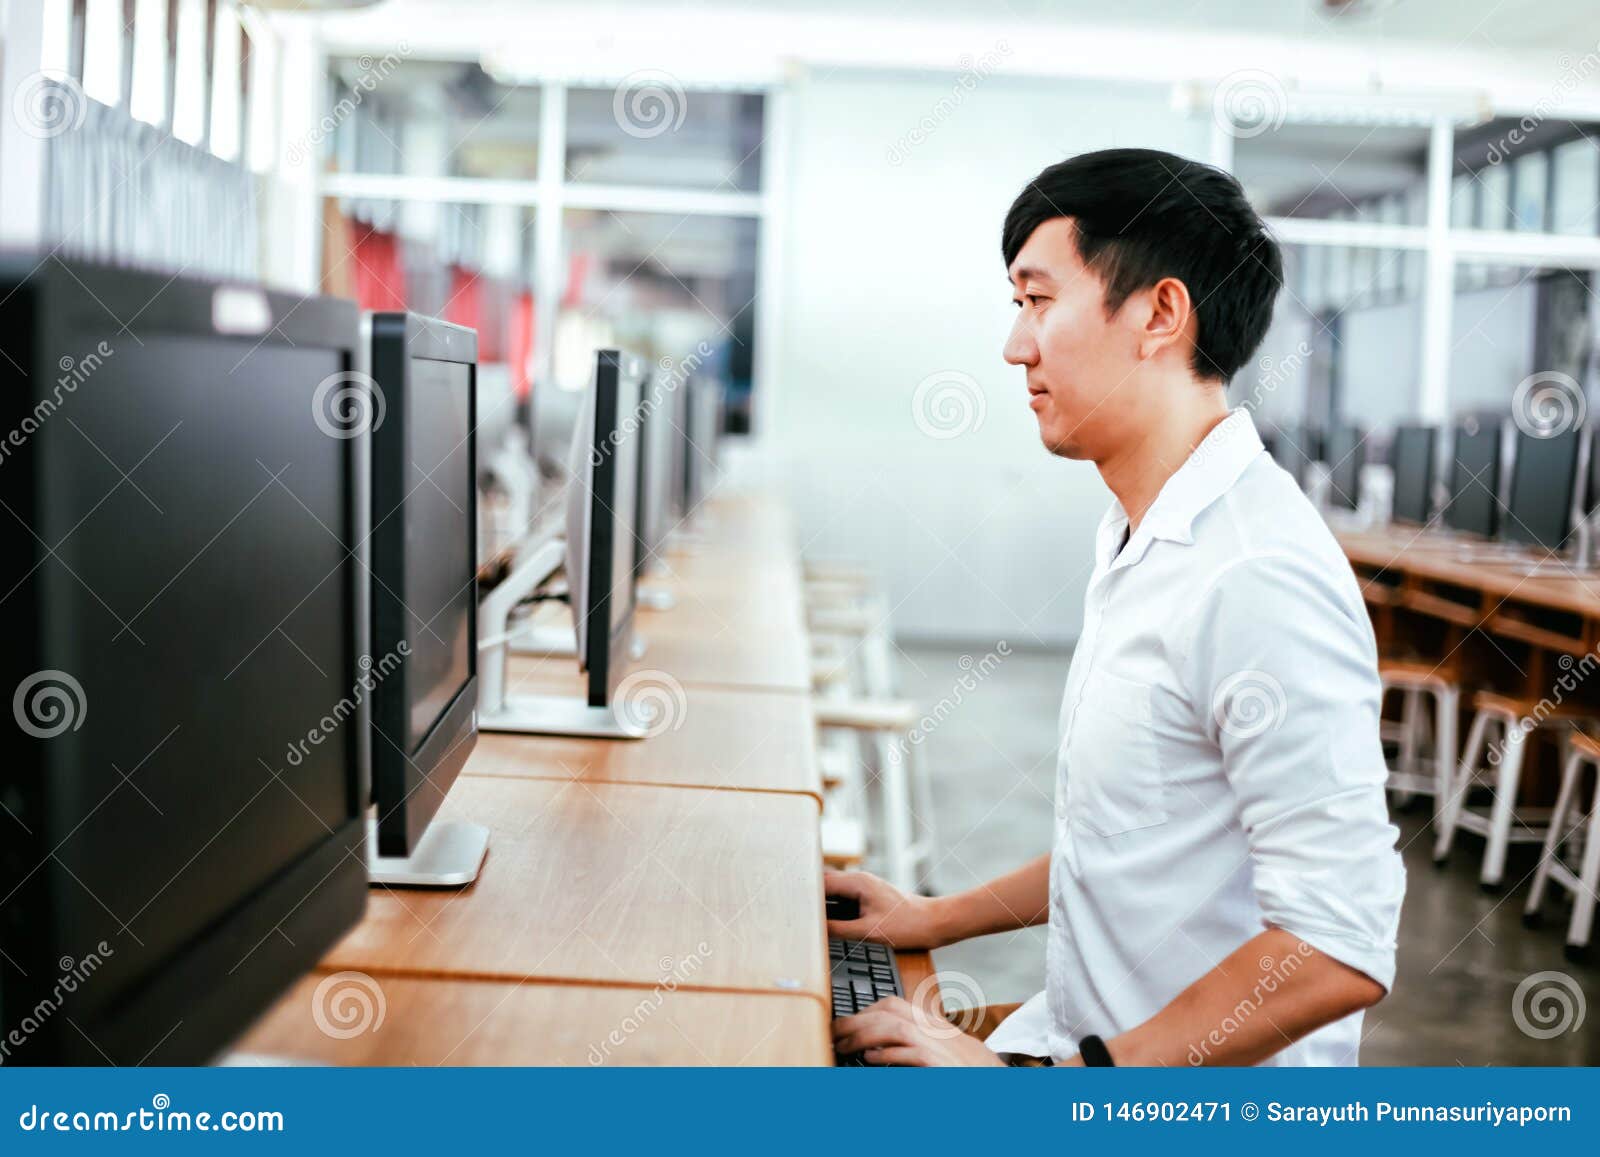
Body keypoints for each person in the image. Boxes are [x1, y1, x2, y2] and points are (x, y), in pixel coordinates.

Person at [828, 148, 1405, 1067]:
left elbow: (1337, 944)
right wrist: (929, 916)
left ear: (1159, 314)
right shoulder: (1146, 531)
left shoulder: (1254, 575)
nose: (1016, 345)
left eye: (1038, 300)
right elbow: (1131, 843)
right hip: (1078, 1050)